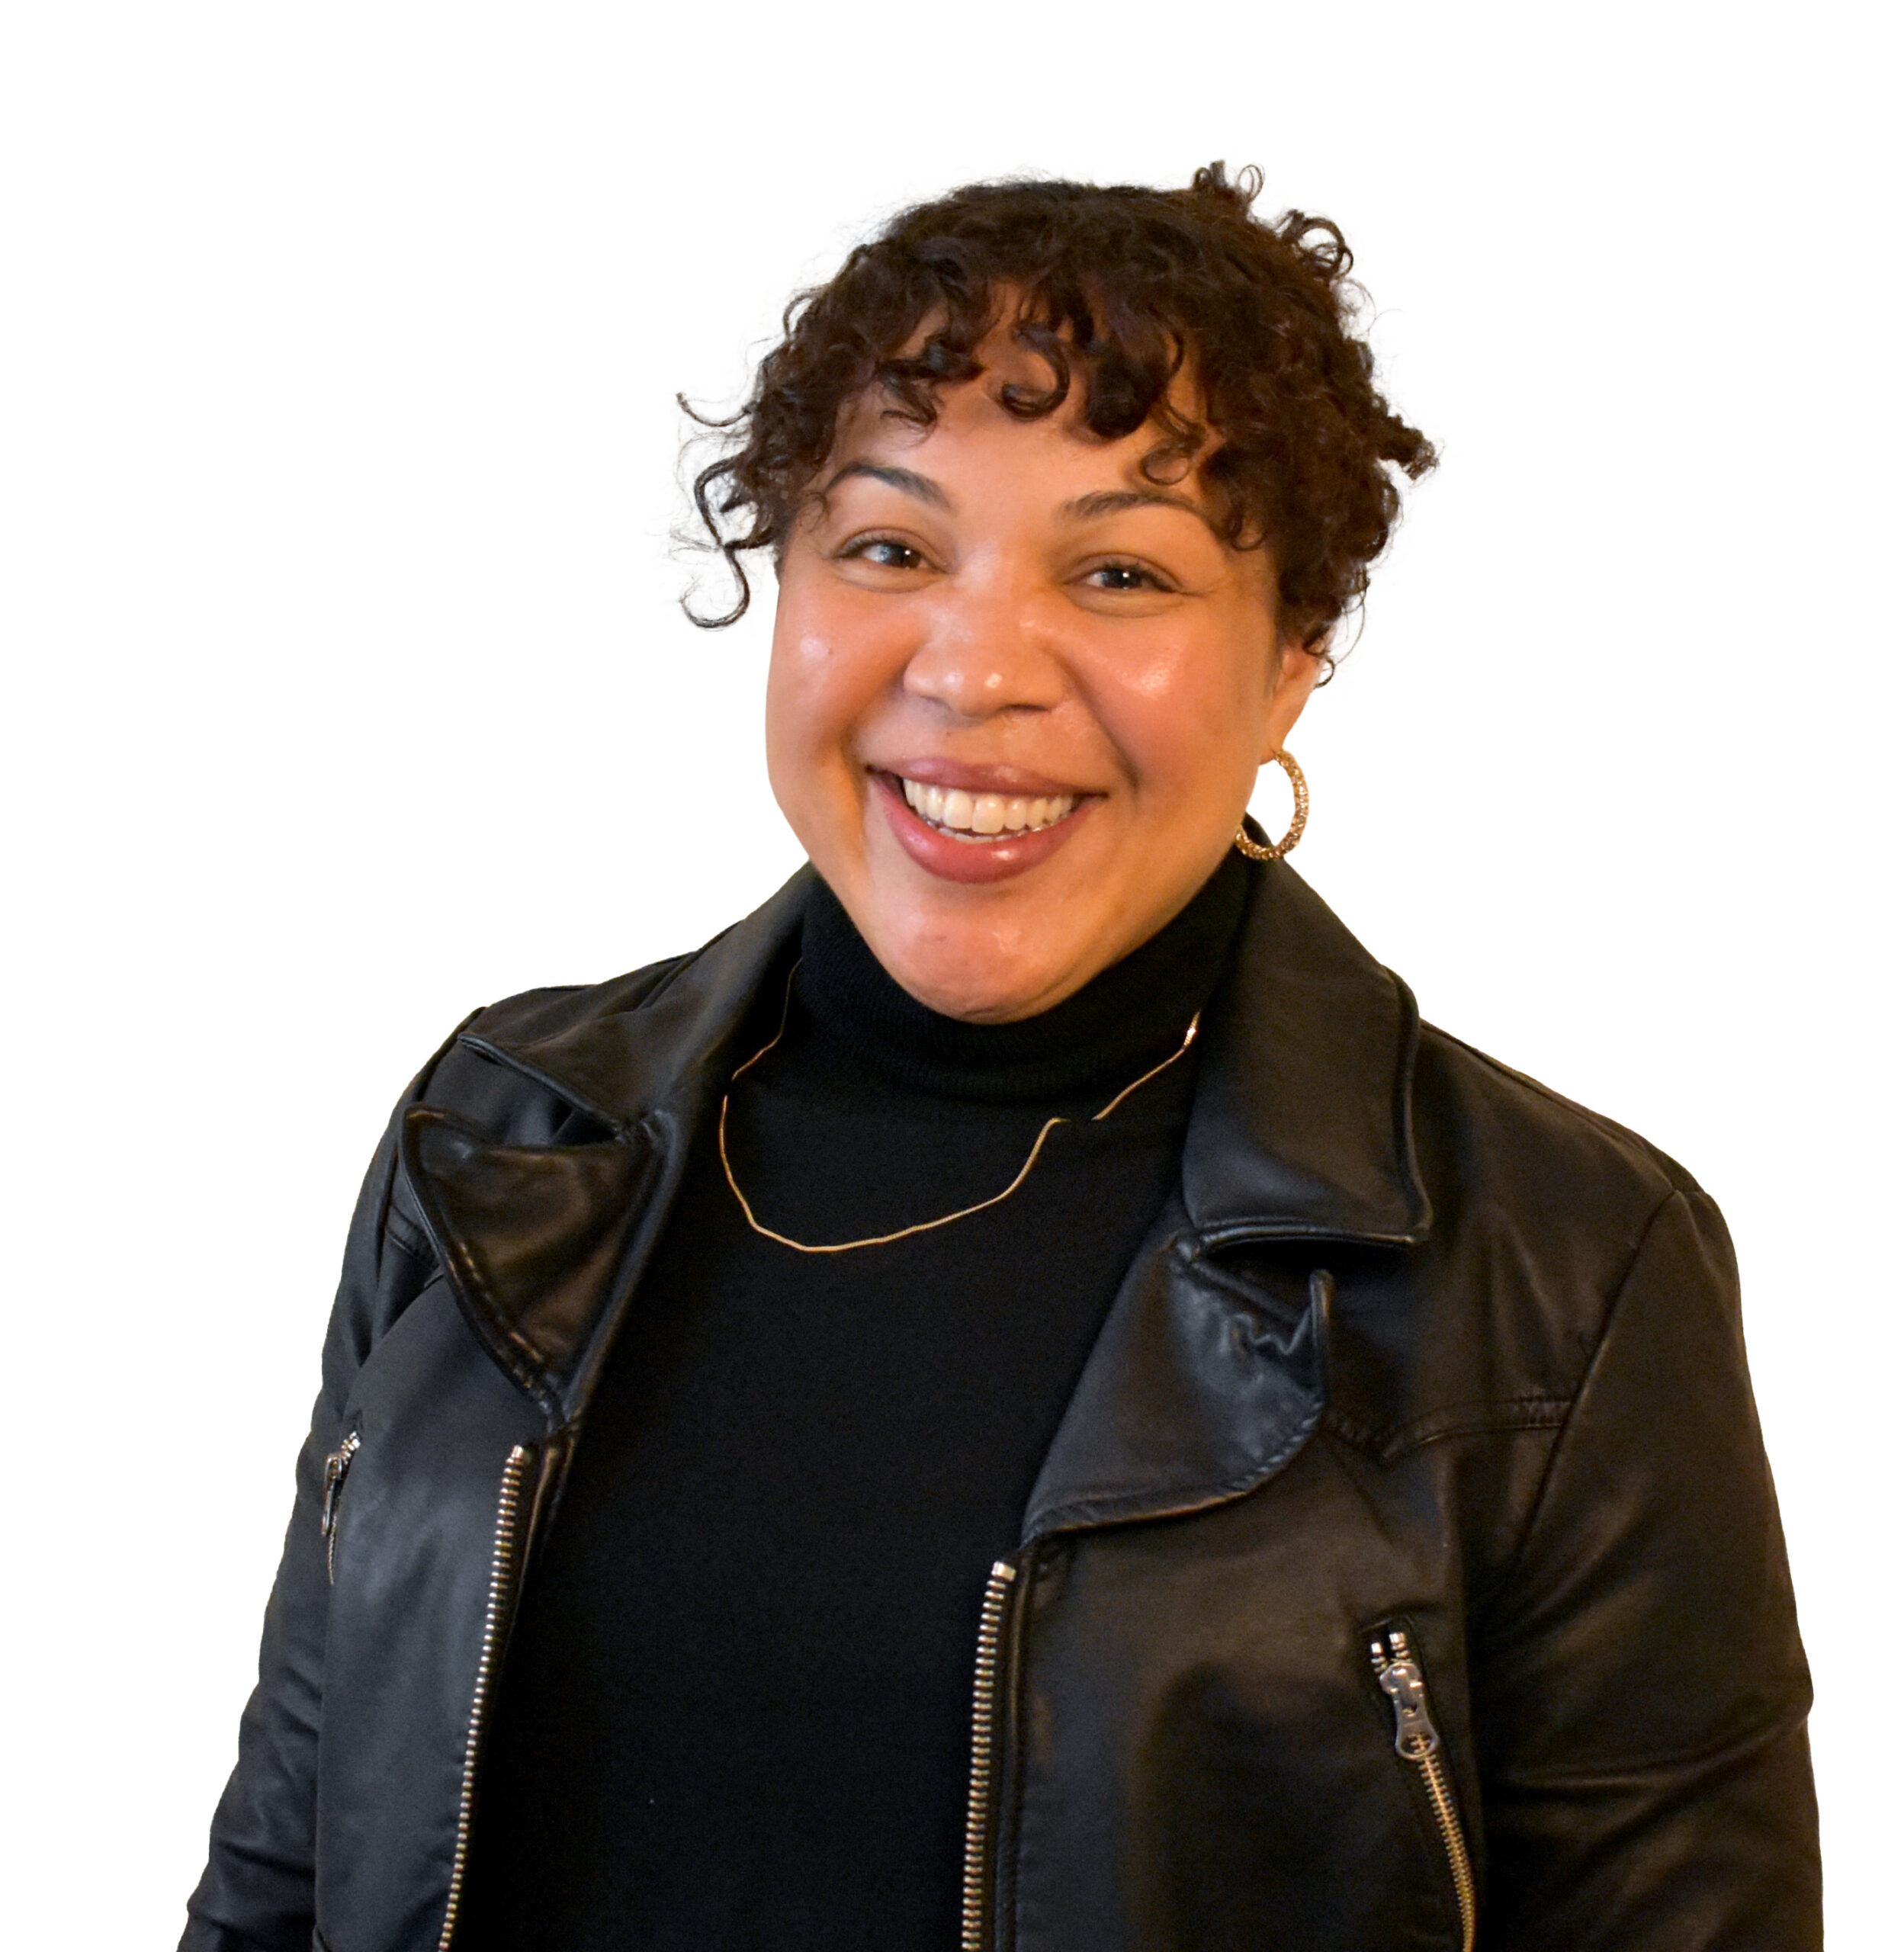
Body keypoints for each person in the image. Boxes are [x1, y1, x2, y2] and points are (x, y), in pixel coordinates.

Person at [181, 165, 1819, 1952]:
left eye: (1119, 570)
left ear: (1289, 663)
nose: (971, 670)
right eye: (887, 546)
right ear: (783, 584)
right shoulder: (500, 1135)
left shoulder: (1559, 1269)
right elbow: (286, 1869)